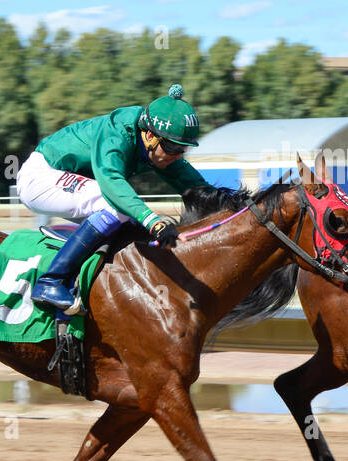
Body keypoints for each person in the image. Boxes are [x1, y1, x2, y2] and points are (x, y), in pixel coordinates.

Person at [16, 84, 211, 315]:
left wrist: (227, 202)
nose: (177, 156)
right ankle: (51, 282)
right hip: (40, 177)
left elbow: (196, 188)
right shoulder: (117, 133)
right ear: (149, 136)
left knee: (132, 226)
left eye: (183, 149)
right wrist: (153, 220)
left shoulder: (156, 147)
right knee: (115, 205)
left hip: (72, 182)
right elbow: (110, 182)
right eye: (172, 147)